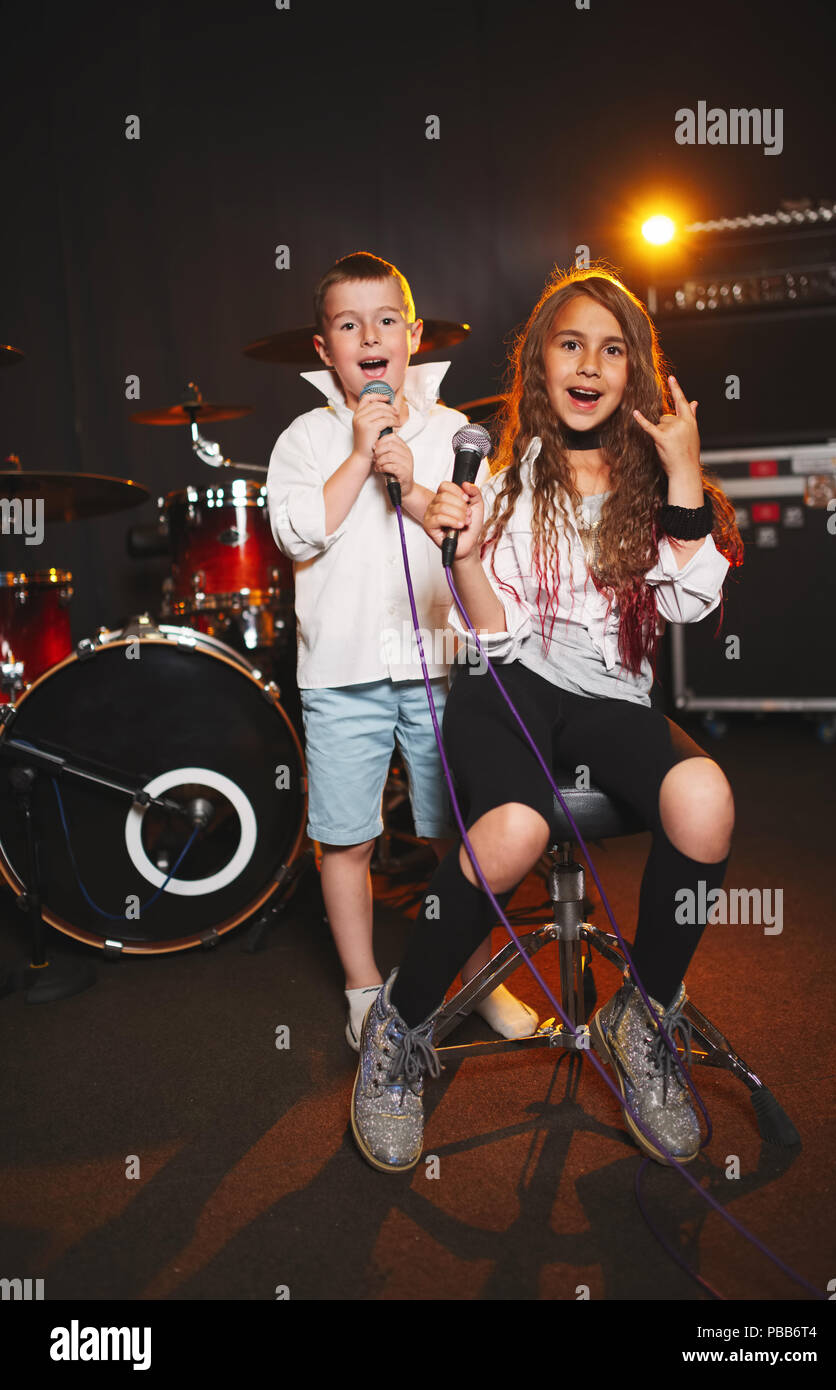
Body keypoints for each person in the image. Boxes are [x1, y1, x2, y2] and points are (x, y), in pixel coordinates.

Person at [351, 265, 743, 1172]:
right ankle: (398, 1029)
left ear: (634, 373)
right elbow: (491, 635)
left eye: (612, 349)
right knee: (512, 831)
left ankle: (640, 1015)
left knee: (706, 801)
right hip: (512, 686)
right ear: (539, 360)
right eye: (570, 342)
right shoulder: (509, 474)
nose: (590, 363)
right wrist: (465, 553)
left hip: (610, 698)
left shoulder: (654, 481)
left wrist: (683, 467)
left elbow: (686, 606)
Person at [267, 251, 538, 1051]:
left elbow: (476, 538)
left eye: (386, 319)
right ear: (324, 349)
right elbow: (295, 532)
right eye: (348, 325)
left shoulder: (454, 431)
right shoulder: (304, 439)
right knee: (345, 837)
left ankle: (477, 978)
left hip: (439, 668)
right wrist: (360, 454)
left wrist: (413, 478)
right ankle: (360, 988)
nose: (370, 335)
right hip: (341, 672)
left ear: (413, 334)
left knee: (463, 836)